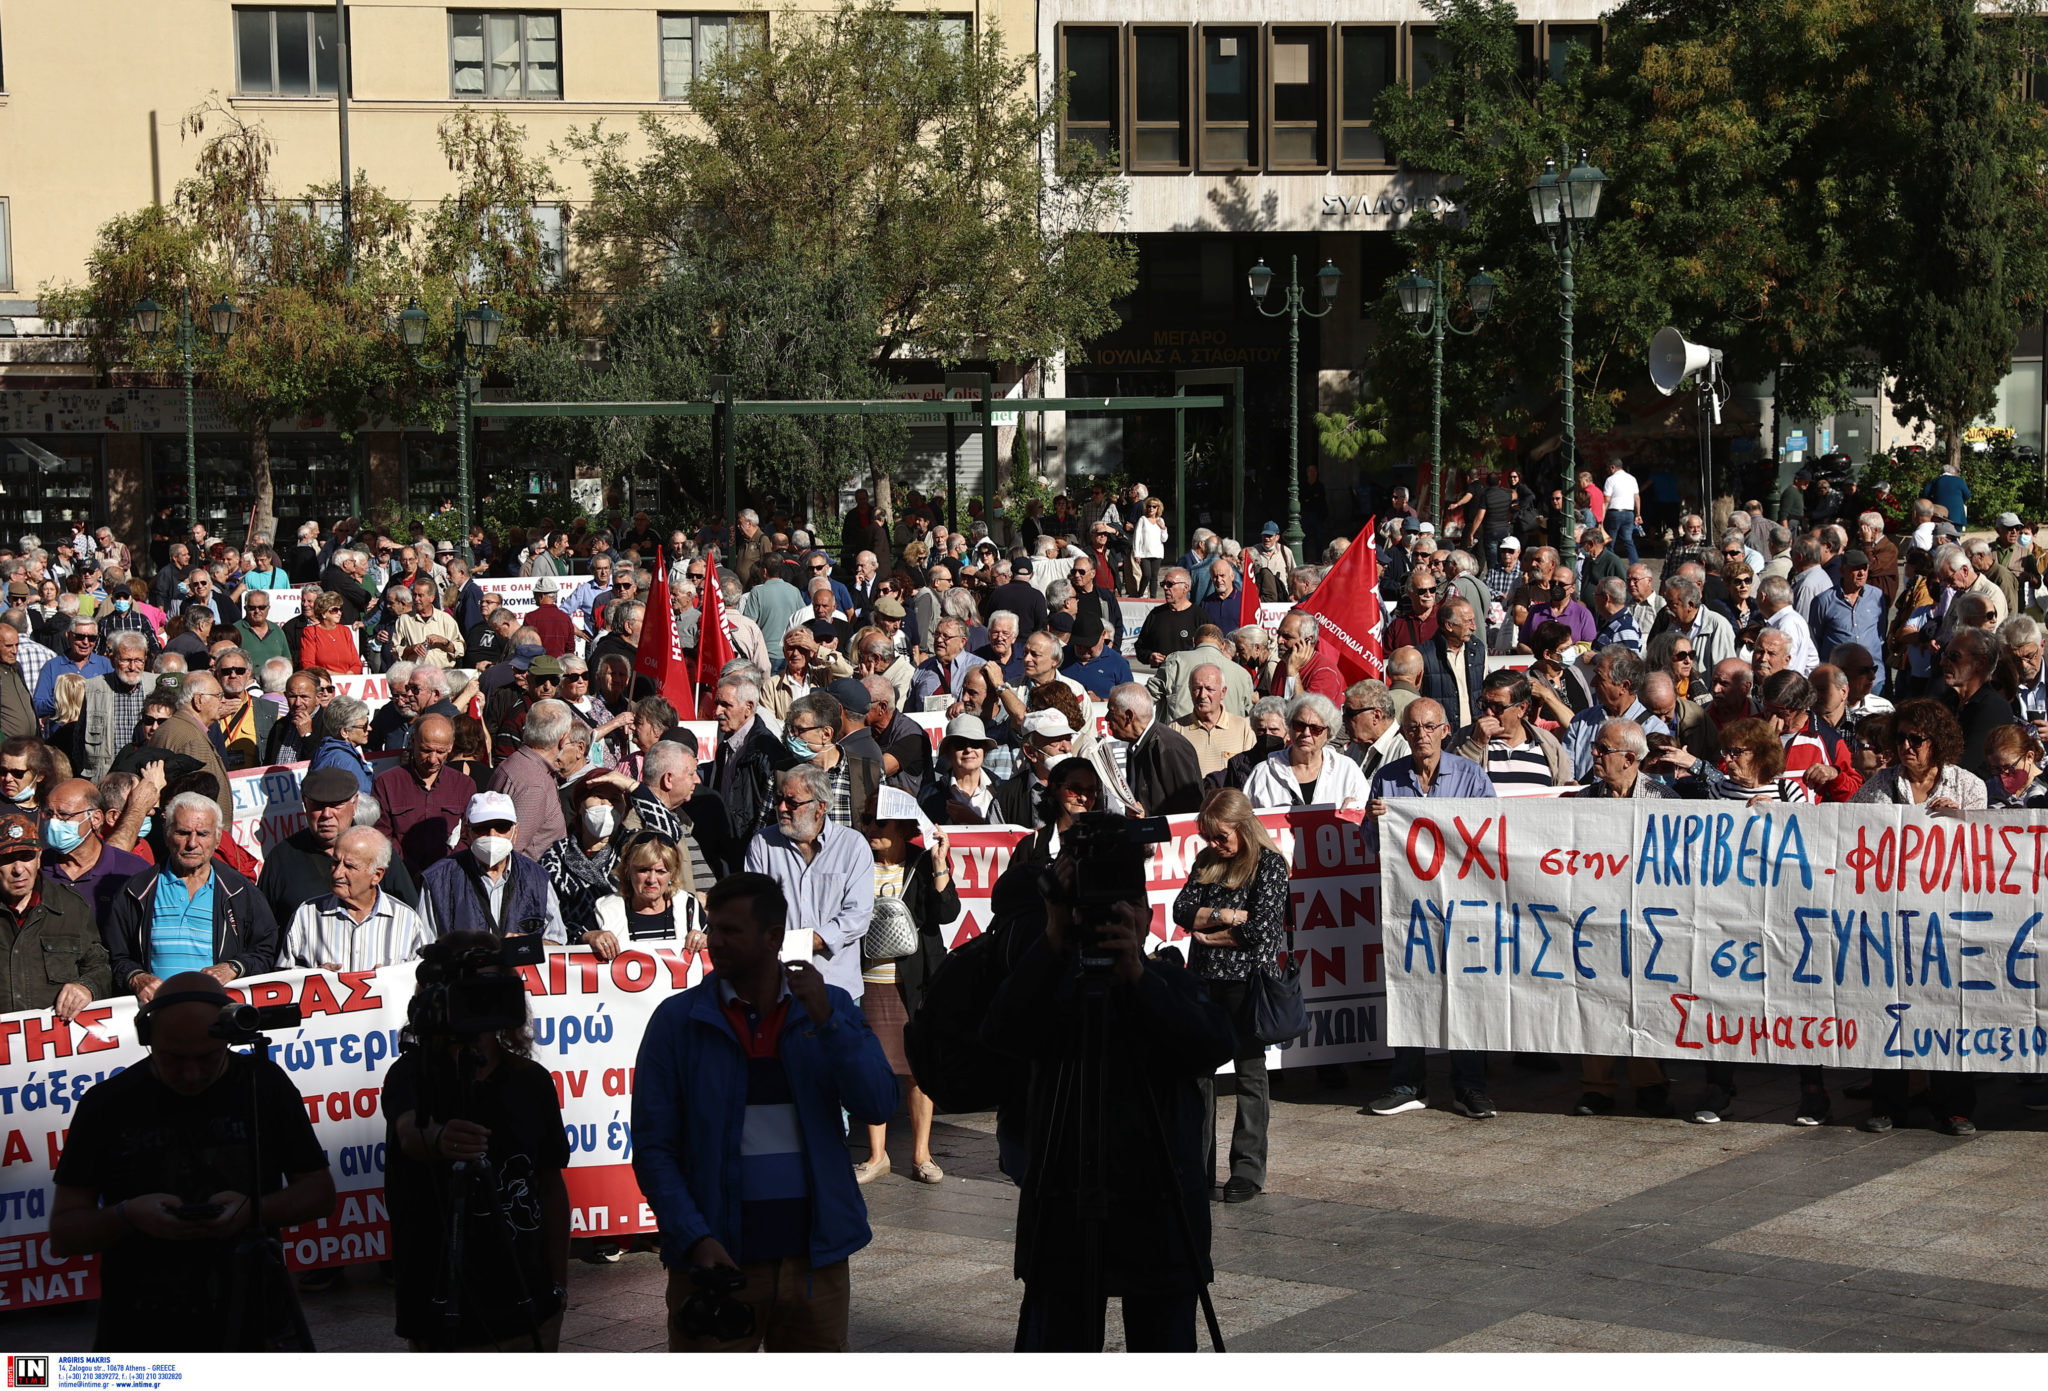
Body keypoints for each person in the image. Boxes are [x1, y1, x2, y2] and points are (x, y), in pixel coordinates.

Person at [983, 816, 1235, 1351]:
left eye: (1125, 908)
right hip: (1065, 1205)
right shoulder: (1055, 982)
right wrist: (1053, 935)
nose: (1111, 918)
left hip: (1159, 1209)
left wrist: (1138, 976)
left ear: (1147, 917)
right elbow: (1001, 1034)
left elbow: (1213, 1045)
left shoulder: (1169, 981)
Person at [631, 873, 896, 1352]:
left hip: (814, 1262)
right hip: (716, 1261)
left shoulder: (830, 1007)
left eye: (731, 931)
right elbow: (654, 1148)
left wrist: (830, 1024)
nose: (715, 942)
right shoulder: (677, 1021)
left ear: (774, 937)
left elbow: (877, 1103)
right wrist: (693, 1237)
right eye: (713, 928)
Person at [49, 971, 336, 1351]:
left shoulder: (263, 1084)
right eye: (173, 1058)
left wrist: (253, 1212)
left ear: (228, 1040)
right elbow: (65, 1232)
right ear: (147, 1038)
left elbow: (319, 1193)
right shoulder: (106, 1104)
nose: (191, 1073)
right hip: (140, 1324)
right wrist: (127, 1216)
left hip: (253, 1313)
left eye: (207, 1057)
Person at [382, 932, 569, 1350]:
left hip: (524, 1296)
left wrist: (559, 1289)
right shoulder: (411, 1073)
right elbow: (409, 1131)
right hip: (437, 1292)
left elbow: (551, 1186)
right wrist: (439, 1138)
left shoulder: (531, 1081)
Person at [1364, 699, 1498, 1119]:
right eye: (1413, 728)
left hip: (1463, 902)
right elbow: (1371, 843)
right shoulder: (1386, 778)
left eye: (1429, 726)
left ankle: (1469, 1085)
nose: (1421, 734)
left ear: (1445, 730)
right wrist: (1376, 821)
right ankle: (1408, 1084)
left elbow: (1490, 836)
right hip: (1408, 904)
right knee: (1408, 985)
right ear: (1403, 734)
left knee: (1466, 990)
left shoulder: (1472, 777)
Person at [1174, 787, 1288, 1204]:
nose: (1214, 844)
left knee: (1250, 1072)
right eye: (1208, 837)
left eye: (1221, 836)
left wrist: (1210, 936)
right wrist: (1227, 916)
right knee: (1199, 1074)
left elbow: (1260, 930)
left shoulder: (1269, 864)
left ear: (1243, 826)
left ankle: (1247, 1169)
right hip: (1204, 982)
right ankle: (1197, 1166)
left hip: (1247, 981)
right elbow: (1181, 910)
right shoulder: (1207, 861)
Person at [853, 807, 956, 1186]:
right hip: (867, 979)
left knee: (917, 1071)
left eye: (879, 821)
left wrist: (940, 864)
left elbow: (946, 912)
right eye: (867, 820)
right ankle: (877, 1154)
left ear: (902, 826)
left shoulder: (923, 862)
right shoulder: (857, 861)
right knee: (872, 1068)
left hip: (912, 981)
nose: (870, 828)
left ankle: (922, 1155)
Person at [104, 792, 280, 999]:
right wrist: (136, 977)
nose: (192, 843)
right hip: (157, 1011)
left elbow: (266, 951)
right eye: (183, 832)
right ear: (167, 835)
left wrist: (233, 967)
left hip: (217, 1010)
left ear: (218, 839)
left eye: (203, 834)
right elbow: (114, 956)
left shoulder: (240, 892)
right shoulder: (136, 891)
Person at [744, 766, 875, 1004]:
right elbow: (752, 908)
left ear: (820, 808)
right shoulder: (762, 845)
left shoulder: (853, 846)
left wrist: (806, 942)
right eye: (780, 799)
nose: (782, 808)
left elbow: (858, 915)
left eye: (792, 803)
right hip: (778, 988)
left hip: (836, 987)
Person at [418, 791, 569, 942]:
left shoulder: (537, 878)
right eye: (481, 828)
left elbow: (557, 941)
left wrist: (529, 944)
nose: (492, 834)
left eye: (502, 827)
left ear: (515, 831)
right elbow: (423, 945)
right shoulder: (439, 880)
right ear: (467, 831)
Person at [282, 826, 431, 970]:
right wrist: (314, 978)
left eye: (349, 866)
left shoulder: (406, 921)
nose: (337, 873)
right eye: (335, 862)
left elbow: (421, 977)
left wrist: (389, 979)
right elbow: (284, 977)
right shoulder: (307, 915)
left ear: (377, 875)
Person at [372, 713, 474, 878]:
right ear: (413, 741)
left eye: (440, 752)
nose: (433, 759)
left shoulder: (464, 785)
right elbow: (382, 835)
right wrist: (411, 871)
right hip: (401, 877)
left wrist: (443, 870)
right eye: (426, 750)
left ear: (451, 747)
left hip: (448, 877)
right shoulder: (386, 782)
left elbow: (469, 835)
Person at [41, 777, 152, 929]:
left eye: (64, 815)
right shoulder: (37, 866)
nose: (54, 823)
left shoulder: (133, 870)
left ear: (96, 818)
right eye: (49, 814)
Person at [1244, 693, 1372, 811]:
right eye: (1299, 725)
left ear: (1328, 733)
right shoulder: (1264, 772)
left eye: (1315, 728)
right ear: (1289, 728)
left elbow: (1368, 814)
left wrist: (1359, 807)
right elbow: (1245, 820)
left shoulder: (1346, 770)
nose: (1306, 733)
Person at [489, 697, 573, 859]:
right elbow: (513, 852)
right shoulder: (533, 785)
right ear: (563, 739)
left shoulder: (518, 763)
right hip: (531, 872)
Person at [1103, 683, 1204, 816]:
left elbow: (1188, 811)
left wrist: (1148, 817)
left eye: (1111, 711)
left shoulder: (1168, 748)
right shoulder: (1138, 744)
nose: (1106, 718)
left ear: (1129, 716)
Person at [1454, 670, 1568, 788]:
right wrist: (1475, 745)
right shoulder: (1466, 737)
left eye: (1497, 707)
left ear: (1521, 708)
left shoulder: (1546, 743)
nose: (1489, 713)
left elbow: (1563, 785)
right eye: (1484, 705)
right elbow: (1452, 783)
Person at [1150, 626, 1256, 723]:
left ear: (1194, 642)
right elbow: (1250, 714)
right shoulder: (1243, 674)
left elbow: (1149, 695)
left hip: (1181, 734)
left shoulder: (1175, 661)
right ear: (1223, 645)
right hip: (1229, 735)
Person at [1175, 662, 1257, 779]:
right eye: (1197, 688)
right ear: (1190, 690)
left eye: (1209, 689)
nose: (1202, 695)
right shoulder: (1175, 729)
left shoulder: (1244, 729)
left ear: (1223, 692)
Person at [307, 693, 376, 796]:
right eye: (364, 726)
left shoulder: (324, 751)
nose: (370, 728)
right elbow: (363, 800)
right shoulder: (346, 761)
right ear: (345, 732)